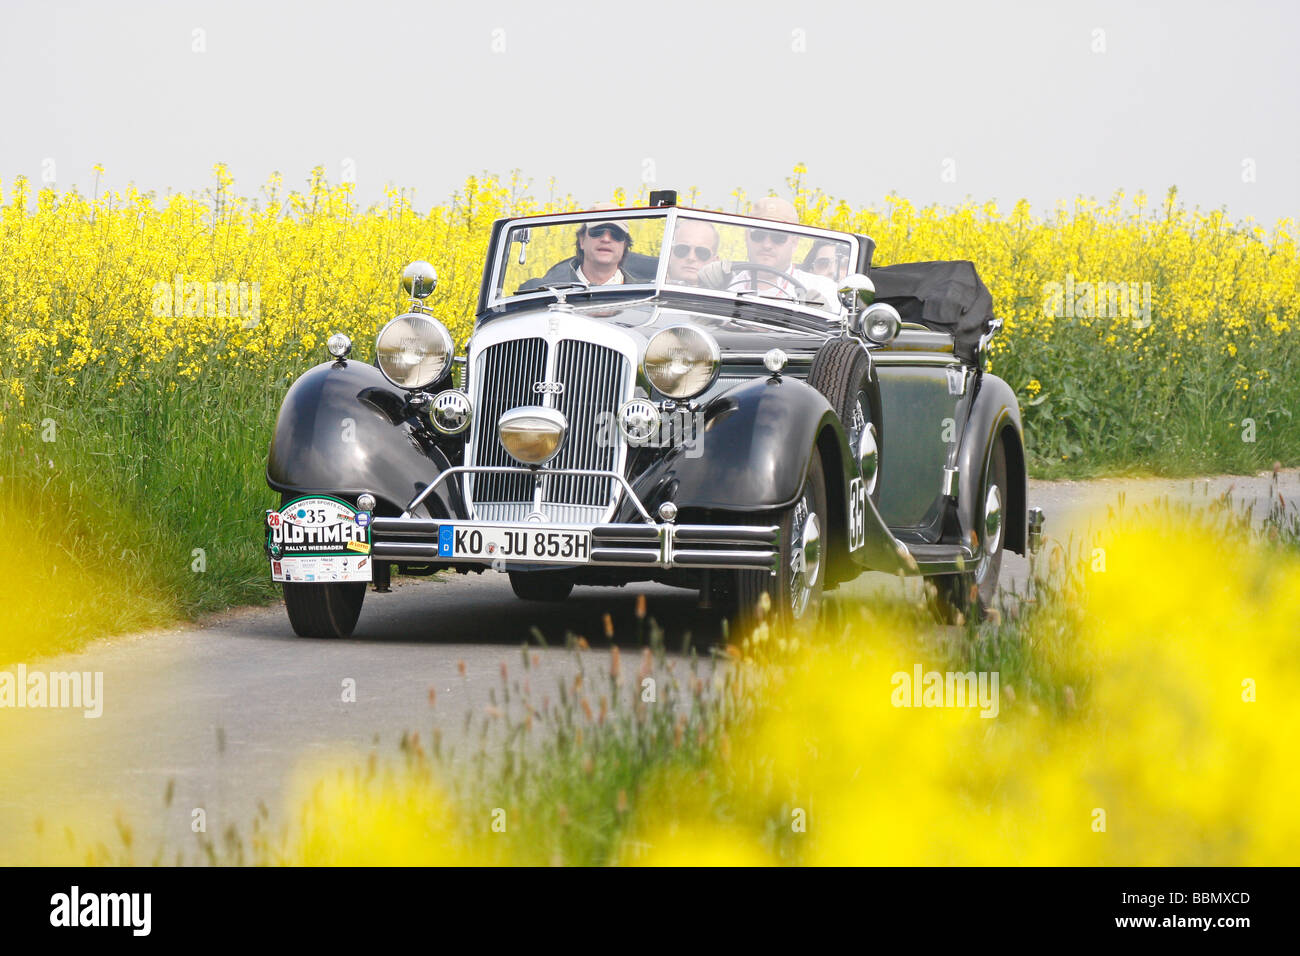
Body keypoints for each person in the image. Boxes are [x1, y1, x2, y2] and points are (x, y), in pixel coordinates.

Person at [719, 197, 841, 310]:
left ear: (794, 243)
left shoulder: (823, 289)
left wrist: (825, 317)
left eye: (778, 237)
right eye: (758, 234)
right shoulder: (723, 287)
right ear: (747, 237)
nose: (767, 245)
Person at [665, 219, 720, 285]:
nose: (691, 258)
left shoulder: (726, 294)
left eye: (702, 252)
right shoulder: (651, 290)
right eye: (682, 249)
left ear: (715, 261)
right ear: (669, 254)